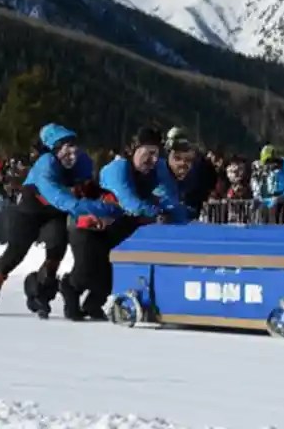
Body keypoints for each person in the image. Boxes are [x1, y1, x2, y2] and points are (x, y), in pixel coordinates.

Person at [0, 124, 120, 319]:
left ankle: (41, 288)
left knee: (57, 248)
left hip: (54, 212)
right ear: (55, 151)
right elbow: (65, 201)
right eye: (65, 149)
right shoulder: (45, 165)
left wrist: (107, 198)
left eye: (73, 147)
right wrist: (102, 208)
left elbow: (87, 189)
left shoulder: (83, 162)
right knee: (16, 252)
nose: (71, 154)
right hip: (31, 209)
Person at [61, 127, 190, 321]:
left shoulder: (155, 170)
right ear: (134, 150)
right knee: (86, 270)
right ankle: (69, 287)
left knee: (111, 273)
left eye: (157, 154)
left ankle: (92, 304)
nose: (153, 160)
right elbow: (129, 202)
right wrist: (157, 213)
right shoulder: (117, 168)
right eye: (149, 153)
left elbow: (166, 196)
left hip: (115, 225)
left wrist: (183, 216)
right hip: (88, 224)